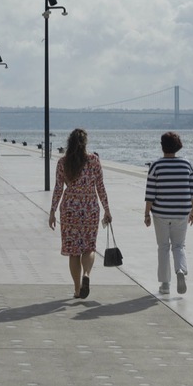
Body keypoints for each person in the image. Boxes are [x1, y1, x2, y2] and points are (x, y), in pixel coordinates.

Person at [48, 127, 112, 299]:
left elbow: (58, 189)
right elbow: (100, 188)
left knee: (73, 251)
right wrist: (107, 209)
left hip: (69, 209)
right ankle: (87, 275)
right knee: (89, 247)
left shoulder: (63, 163)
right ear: (85, 143)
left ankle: (77, 290)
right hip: (90, 207)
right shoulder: (94, 160)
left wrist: (52, 211)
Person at [144, 131, 193, 297]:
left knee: (163, 247)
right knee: (179, 245)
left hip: (160, 213)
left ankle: (165, 284)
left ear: (162, 147)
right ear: (177, 146)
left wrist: (146, 213)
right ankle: (180, 270)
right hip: (181, 212)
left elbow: (150, 192)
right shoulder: (186, 165)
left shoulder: (156, 166)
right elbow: (192, 190)